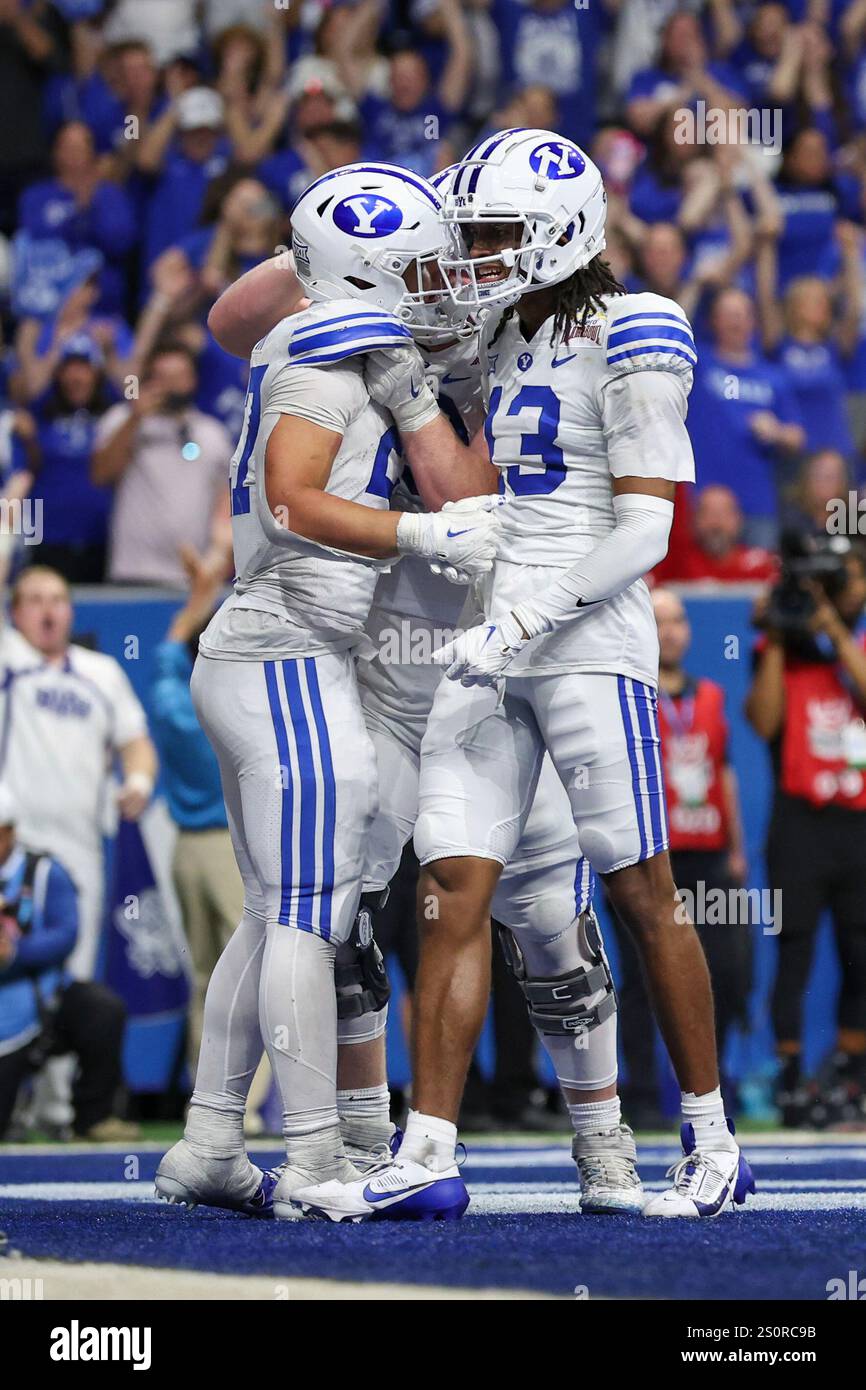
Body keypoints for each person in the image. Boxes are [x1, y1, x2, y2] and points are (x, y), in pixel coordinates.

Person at [294, 128, 755, 1223]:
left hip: (587, 634)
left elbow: (645, 529)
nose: (478, 256)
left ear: (559, 232)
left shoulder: (637, 324)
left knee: (640, 893)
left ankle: (711, 1140)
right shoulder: (494, 330)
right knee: (450, 891)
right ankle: (429, 1151)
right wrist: (332, 232)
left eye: (495, 234)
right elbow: (286, 302)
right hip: (491, 636)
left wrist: (528, 619)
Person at [154, 162, 502, 1221]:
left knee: (273, 916)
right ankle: (311, 1156)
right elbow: (295, 501)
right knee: (306, 919)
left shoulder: (315, 336)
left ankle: (212, 1141)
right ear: (361, 272)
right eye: (413, 262)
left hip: (268, 650)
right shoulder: (323, 352)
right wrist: (419, 529)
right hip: (288, 653)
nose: (435, 276)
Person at [746, 538, 866, 1129]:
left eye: (845, 579)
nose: (836, 591)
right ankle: (791, 1075)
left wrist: (834, 633)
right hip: (799, 825)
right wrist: (774, 636)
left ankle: (851, 1071)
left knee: (861, 954)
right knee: (794, 954)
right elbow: (763, 720)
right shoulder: (782, 651)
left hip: (858, 823)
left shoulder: (857, 645)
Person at [0, 785, 137, 1142]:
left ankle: (93, 1117)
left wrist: (15, 953)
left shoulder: (46, 872)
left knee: (100, 1009)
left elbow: (66, 934)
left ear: (10, 831)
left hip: (43, 1001)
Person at [91, 341, 232, 588]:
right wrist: (135, 418)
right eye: (162, 377)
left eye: (179, 376)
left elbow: (226, 503)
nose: (171, 385)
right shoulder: (121, 420)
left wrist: (219, 560)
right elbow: (101, 474)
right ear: (149, 379)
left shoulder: (213, 434)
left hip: (193, 573)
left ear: (193, 380)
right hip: (133, 571)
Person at [653, 484, 778, 585]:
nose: (716, 523)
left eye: (724, 513)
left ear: (739, 519)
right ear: (693, 520)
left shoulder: (762, 566)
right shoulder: (678, 565)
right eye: (707, 514)